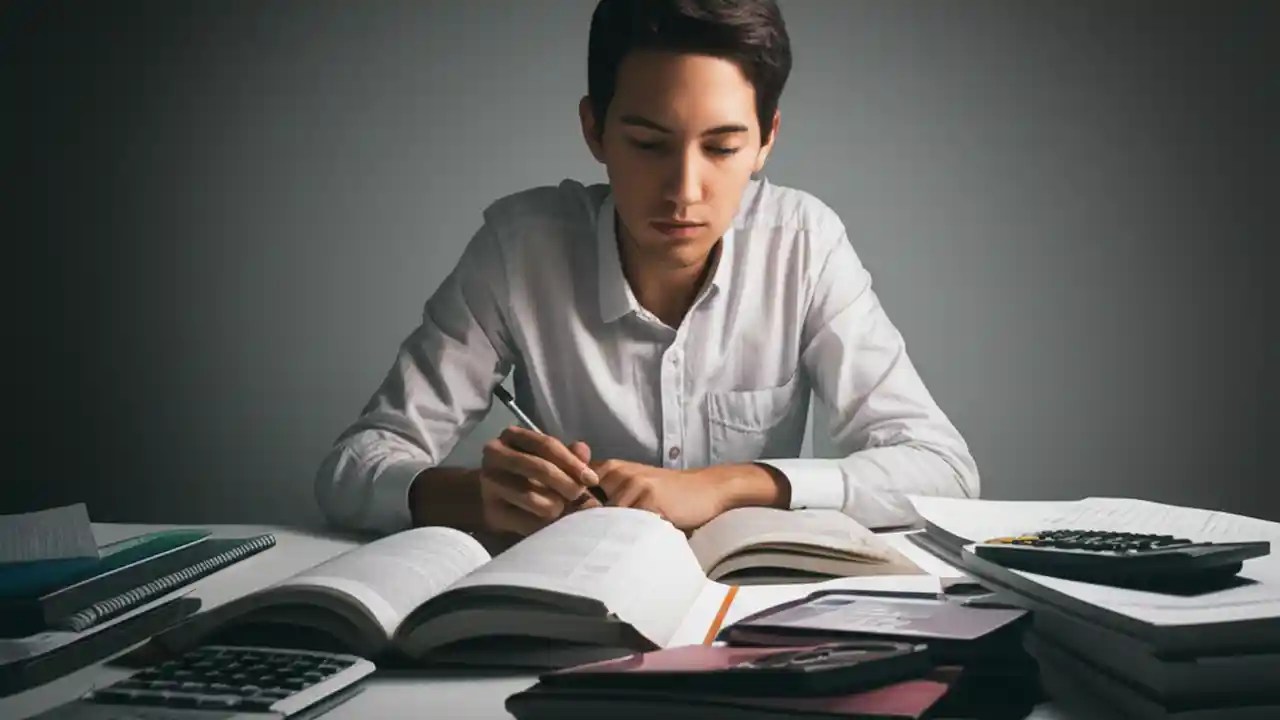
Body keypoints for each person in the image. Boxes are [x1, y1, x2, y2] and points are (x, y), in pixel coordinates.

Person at [315, 0, 978, 541]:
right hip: (570, 604)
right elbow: (353, 469)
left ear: (767, 138)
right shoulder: (519, 250)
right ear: (595, 130)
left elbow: (944, 470)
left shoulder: (804, 243)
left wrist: (732, 483)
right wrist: (470, 496)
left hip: (750, 615)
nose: (684, 190)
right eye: (647, 144)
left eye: (722, 147)